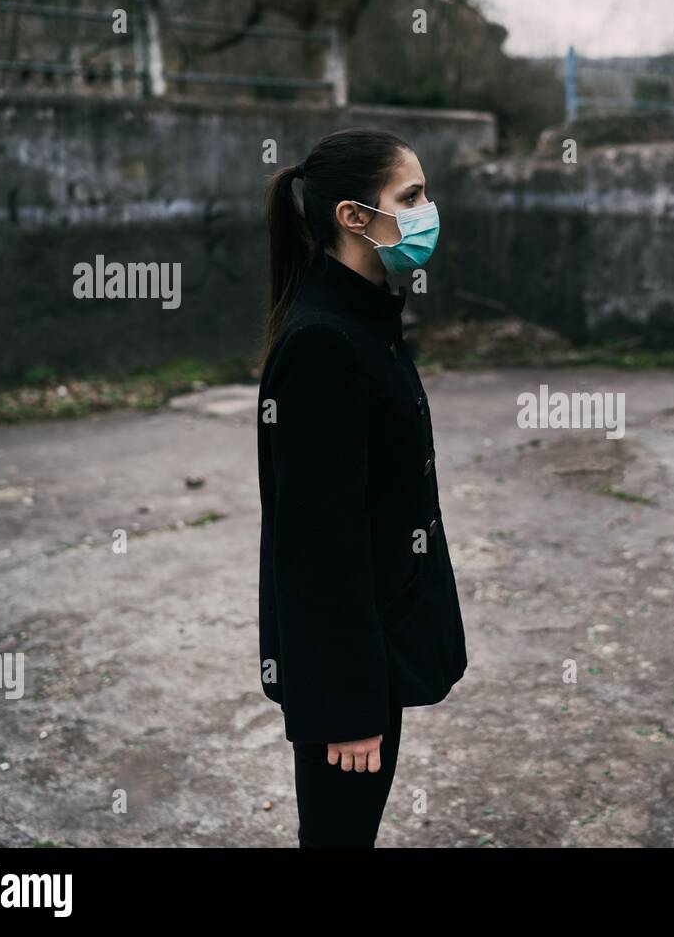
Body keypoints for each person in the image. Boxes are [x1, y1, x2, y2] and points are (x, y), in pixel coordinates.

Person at [256, 128, 467, 847]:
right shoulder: (325, 342)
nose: (427, 211)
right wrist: (345, 707)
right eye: (410, 197)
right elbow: (316, 548)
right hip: (349, 676)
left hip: (377, 650)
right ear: (353, 216)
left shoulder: (365, 319)